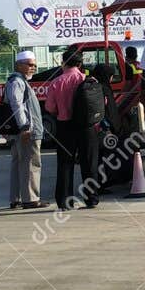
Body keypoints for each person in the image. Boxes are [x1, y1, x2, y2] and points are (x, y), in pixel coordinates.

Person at [72, 64, 118, 205]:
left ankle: (92, 193)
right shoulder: (102, 88)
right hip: (100, 130)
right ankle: (95, 192)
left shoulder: (84, 86)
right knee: (100, 161)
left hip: (83, 128)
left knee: (90, 162)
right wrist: (115, 129)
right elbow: (110, 111)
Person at [6, 50, 46, 209]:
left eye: (35, 65)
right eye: (30, 64)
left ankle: (16, 198)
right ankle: (30, 199)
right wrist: (24, 127)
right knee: (31, 164)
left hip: (20, 131)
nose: (33, 68)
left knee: (18, 164)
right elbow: (17, 105)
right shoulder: (18, 82)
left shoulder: (16, 81)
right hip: (26, 131)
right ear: (19, 65)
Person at [46, 48, 85, 210]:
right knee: (87, 162)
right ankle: (90, 197)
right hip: (84, 126)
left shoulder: (56, 82)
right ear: (80, 63)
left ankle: (64, 201)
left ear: (63, 63)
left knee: (64, 164)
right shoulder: (85, 79)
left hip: (64, 126)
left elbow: (50, 108)